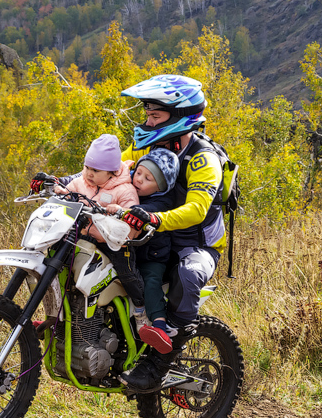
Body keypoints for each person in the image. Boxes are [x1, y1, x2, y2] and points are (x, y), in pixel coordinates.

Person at [114, 74, 227, 392]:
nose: (147, 122)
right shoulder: (147, 146)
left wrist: (153, 218)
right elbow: (114, 171)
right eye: (147, 115)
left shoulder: (204, 159)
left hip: (194, 246)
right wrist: (65, 182)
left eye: (155, 116)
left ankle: (158, 363)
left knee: (189, 275)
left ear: (178, 117)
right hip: (151, 237)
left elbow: (196, 210)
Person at [50, 134, 146, 315]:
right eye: (87, 167)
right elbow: (69, 194)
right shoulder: (81, 182)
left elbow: (132, 224)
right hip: (84, 237)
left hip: (114, 243)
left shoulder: (125, 190)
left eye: (96, 170)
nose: (89, 173)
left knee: (127, 273)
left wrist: (120, 214)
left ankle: (141, 309)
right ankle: (62, 314)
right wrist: (60, 192)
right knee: (59, 260)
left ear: (112, 171)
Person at [106, 148, 181, 354]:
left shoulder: (163, 200)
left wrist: (133, 212)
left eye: (148, 178)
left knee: (150, 282)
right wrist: (61, 182)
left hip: (151, 256)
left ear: (161, 187)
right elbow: (97, 175)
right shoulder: (126, 180)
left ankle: (159, 326)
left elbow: (150, 210)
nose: (139, 179)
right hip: (125, 250)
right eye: (139, 172)